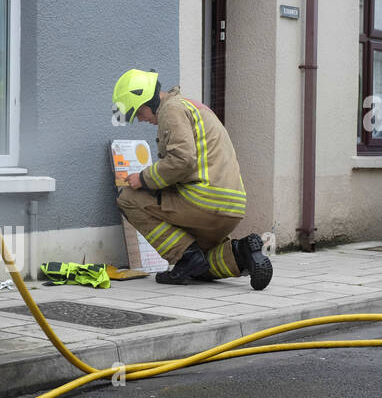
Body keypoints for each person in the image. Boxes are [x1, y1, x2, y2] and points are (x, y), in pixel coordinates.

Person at [111, 69, 272, 289]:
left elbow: (182, 161)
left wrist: (143, 178)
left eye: (139, 112)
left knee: (128, 198)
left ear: (147, 101)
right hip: (230, 208)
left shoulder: (171, 110)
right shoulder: (190, 106)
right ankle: (242, 253)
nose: (141, 119)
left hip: (203, 200)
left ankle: (185, 257)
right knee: (200, 264)